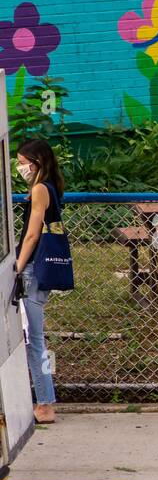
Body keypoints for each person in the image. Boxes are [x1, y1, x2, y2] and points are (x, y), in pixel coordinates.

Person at [14, 139, 63, 424]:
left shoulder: (40, 190)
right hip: (35, 270)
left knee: (34, 338)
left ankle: (44, 404)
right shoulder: (52, 186)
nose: (20, 167)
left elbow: (32, 235)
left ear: (36, 162)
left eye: (22, 162)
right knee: (33, 337)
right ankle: (42, 400)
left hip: (32, 270)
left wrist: (18, 268)